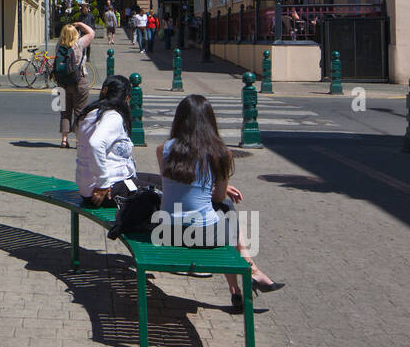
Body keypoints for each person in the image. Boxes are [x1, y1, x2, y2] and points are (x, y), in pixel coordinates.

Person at [154, 94, 285, 311]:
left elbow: (176, 186)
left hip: (166, 232)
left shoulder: (163, 149)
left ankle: (237, 290)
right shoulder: (220, 153)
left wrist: (209, 188)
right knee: (226, 209)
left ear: (179, 120)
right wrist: (218, 188)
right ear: (210, 122)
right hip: (200, 234)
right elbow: (218, 198)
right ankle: (251, 269)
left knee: (225, 215)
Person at [73, 75, 138, 207]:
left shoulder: (90, 113)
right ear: (126, 98)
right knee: (159, 189)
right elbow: (96, 143)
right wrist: (103, 184)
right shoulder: (113, 116)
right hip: (106, 191)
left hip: (87, 189)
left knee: (150, 181)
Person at [55, 21, 95, 149]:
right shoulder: (79, 44)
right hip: (79, 81)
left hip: (62, 83)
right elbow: (91, 33)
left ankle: (64, 140)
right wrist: (80, 24)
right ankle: (78, 140)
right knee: (80, 112)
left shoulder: (58, 46)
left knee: (65, 112)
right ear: (75, 34)